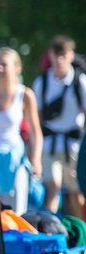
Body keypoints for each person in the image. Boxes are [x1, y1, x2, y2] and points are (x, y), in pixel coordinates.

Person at [0, 48, 43, 214]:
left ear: (17, 68)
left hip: (13, 160)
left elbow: (35, 131)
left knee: (14, 213)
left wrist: (36, 159)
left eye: (4, 65)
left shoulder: (24, 94)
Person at [32, 35, 86, 215]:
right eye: (56, 54)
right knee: (52, 188)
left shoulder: (80, 82)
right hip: (49, 144)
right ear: (50, 55)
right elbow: (36, 119)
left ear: (71, 56)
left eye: (64, 54)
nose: (59, 58)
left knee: (76, 192)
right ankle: (51, 231)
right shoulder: (42, 83)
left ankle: (81, 232)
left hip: (74, 146)